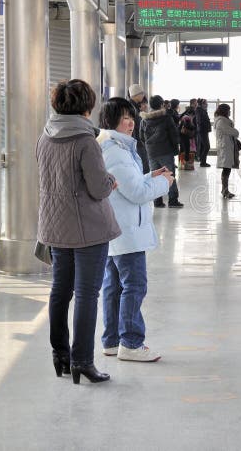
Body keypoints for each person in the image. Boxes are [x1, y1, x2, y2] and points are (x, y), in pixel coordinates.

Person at [37, 79, 120, 385]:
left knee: (61, 291)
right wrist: (111, 179)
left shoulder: (45, 137)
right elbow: (98, 189)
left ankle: (60, 355)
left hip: (55, 226)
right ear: (87, 107)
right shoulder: (86, 142)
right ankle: (83, 361)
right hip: (87, 230)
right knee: (86, 294)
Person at [98, 98, 174, 362]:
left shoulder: (112, 147)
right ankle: (131, 343)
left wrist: (149, 177)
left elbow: (128, 185)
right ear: (110, 122)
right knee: (134, 286)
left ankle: (111, 340)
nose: (130, 123)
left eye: (131, 117)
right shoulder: (117, 152)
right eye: (124, 118)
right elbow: (137, 194)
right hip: (127, 232)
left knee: (115, 287)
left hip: (117, 230)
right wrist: (163, 184)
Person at [140, 95, 183, 208]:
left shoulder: (144, 119)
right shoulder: (166, 118)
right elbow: (173, 135)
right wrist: (175, 148)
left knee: (155, 176)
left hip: (151, 152)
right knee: (169, 174)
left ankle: (157, 202)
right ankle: (173, 200)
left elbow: (141, 136)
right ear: (161, 105)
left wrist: (148, 146)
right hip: (165, 151)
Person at [214, 103, 240, 199]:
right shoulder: (222, 122)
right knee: (226, 169)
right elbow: (234, 132)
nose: (230, 112)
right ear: (225, 111)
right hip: (225, 148)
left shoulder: (223, 121)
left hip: (227, 147)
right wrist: (235, 131)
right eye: (229, 110)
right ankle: (225, 191)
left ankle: (225, 190)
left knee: (227, 169)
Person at [128, 84, 150, 173]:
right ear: (136, 95)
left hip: (137, 142)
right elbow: (134, 126)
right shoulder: (131, 108)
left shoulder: (134, 107)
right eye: (142, 93)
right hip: (136, 142)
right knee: (143, 167)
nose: (143, 95)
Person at [195, 98, 212, 167]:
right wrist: (205, 125)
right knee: (207, 146)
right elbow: (199, 121)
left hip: (203, 130)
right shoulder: (199, 110)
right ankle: (202, 161)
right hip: (202, 131)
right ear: (202, 104)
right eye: (206, 103)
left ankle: (203, 162)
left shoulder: (201, 110)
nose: (207, 105)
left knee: (203, 146)